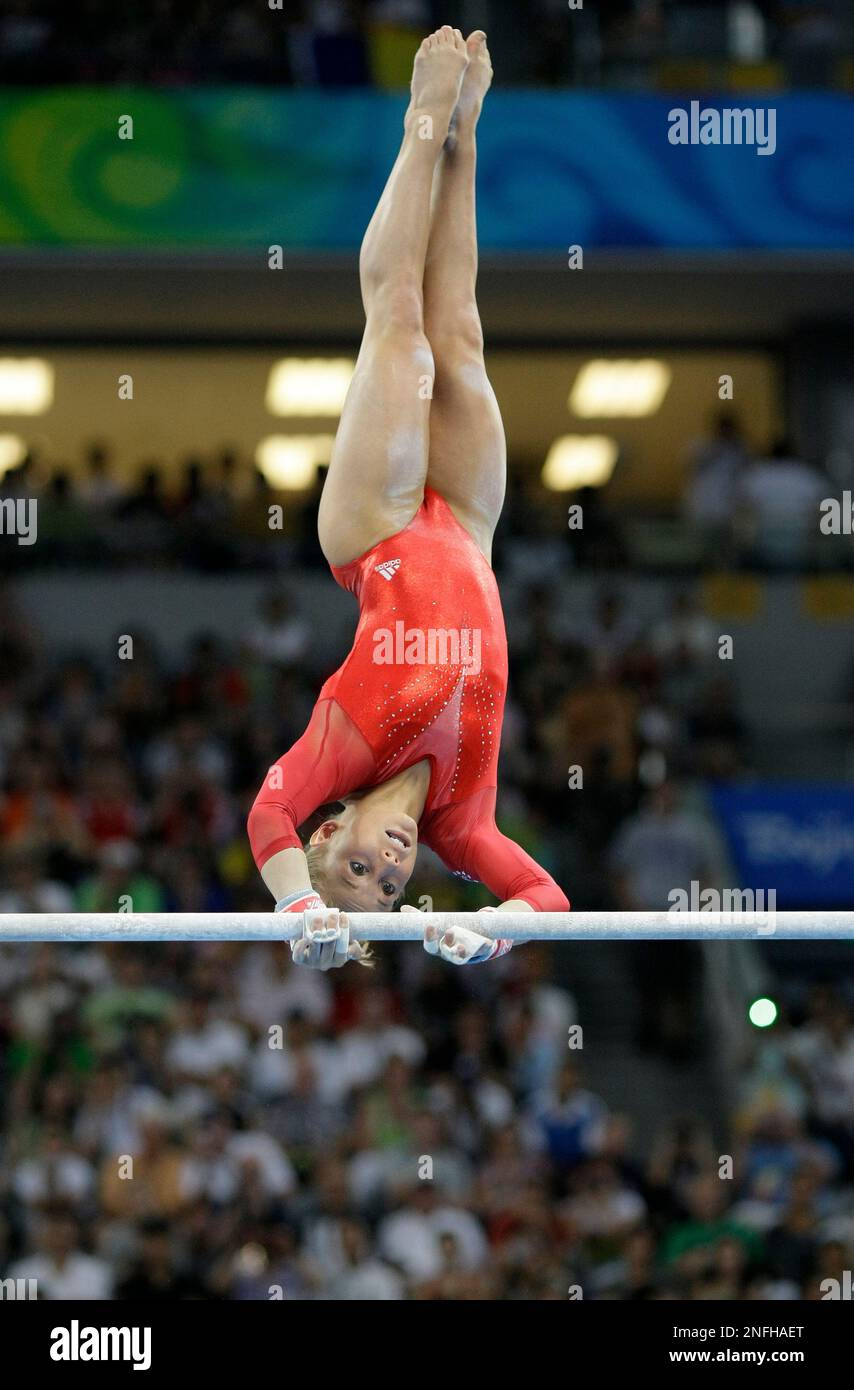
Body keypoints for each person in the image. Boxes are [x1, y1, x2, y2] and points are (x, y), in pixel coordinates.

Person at [248, 28, 568, 970]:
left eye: (354, 871)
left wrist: (301, 912)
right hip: (468, 534)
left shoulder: (338, 760)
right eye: (392, 888)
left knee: (401, 333)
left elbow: (267, 809)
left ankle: (421, 119)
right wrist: (492, 935)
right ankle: (466, 132)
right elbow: (545, 895)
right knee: (459, 334)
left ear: (328, 830)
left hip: (374, 535)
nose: (385, 871)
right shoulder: (462, 822)